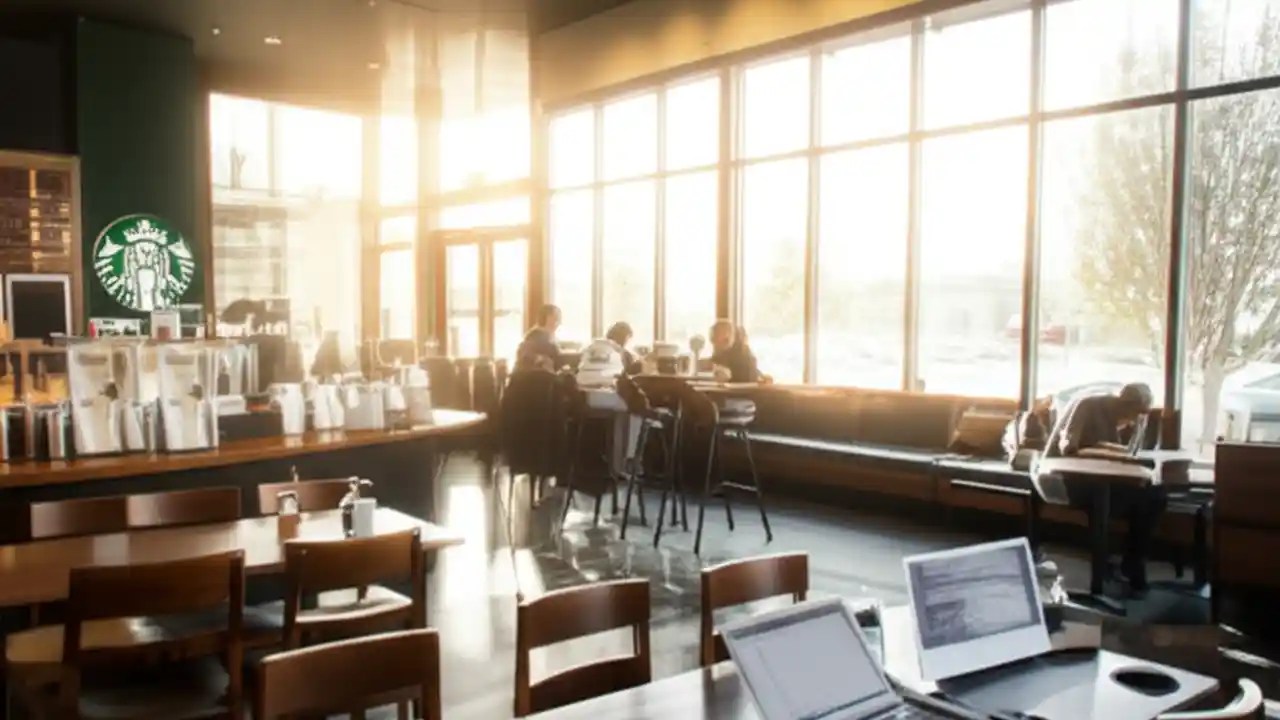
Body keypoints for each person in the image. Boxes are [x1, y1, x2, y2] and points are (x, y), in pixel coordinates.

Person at [1047, 382, 1163, 591]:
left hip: (1107, 480)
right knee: (1114, 497)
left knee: (1155, 496)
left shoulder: (1130, 421)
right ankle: (1106, 571)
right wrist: (1104, 450)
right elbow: (1068, 447)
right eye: (1134, 413)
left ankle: (1133, 561)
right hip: (1069, 480)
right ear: (1123, 404)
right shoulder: (1087, 405)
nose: (1134, 420)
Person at [515, 304, 561, 371]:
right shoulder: (538, 338)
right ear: (548, 319)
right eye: (556, 318)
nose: (558, 323)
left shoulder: (533, 335)